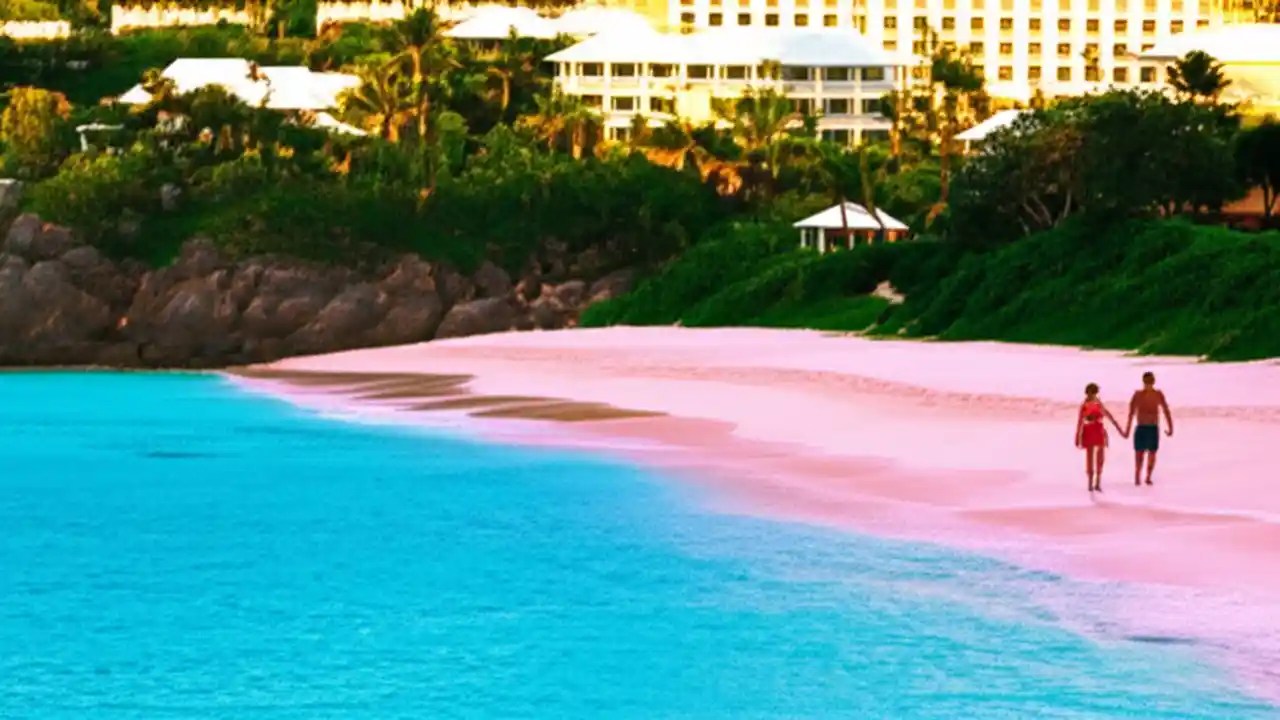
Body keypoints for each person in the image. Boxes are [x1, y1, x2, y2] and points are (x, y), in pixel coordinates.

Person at [1125, 371, 1174, 486]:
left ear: (1153, 382)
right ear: (1143, 381)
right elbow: (1131, 413)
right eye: (1147, 381)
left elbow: (1166, 410)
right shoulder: (1137, 394)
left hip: (1153, 427)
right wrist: (1127, 430)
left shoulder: (1158, 394)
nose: (1148, 384)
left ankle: (1148, 477)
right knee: (1139, 454)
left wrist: (1171, 426)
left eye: (1150, 381)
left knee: (1152, 453)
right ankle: (1137, 476)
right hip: (1141, 427)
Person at [1076, 383, 1125, 493]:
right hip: (1088, 430)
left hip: (1099, 430)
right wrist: (1077, 437)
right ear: (1087, 392)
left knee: (1100, 457)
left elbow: (1109, 416)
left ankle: (1097, 482)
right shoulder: (1084, 405)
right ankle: (1090, 483)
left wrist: (1119, 429)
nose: (1092, 395)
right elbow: (1080, 422)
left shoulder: (1098, 404)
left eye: (1094, 393)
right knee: (1089, 457)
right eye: (1090, 393)